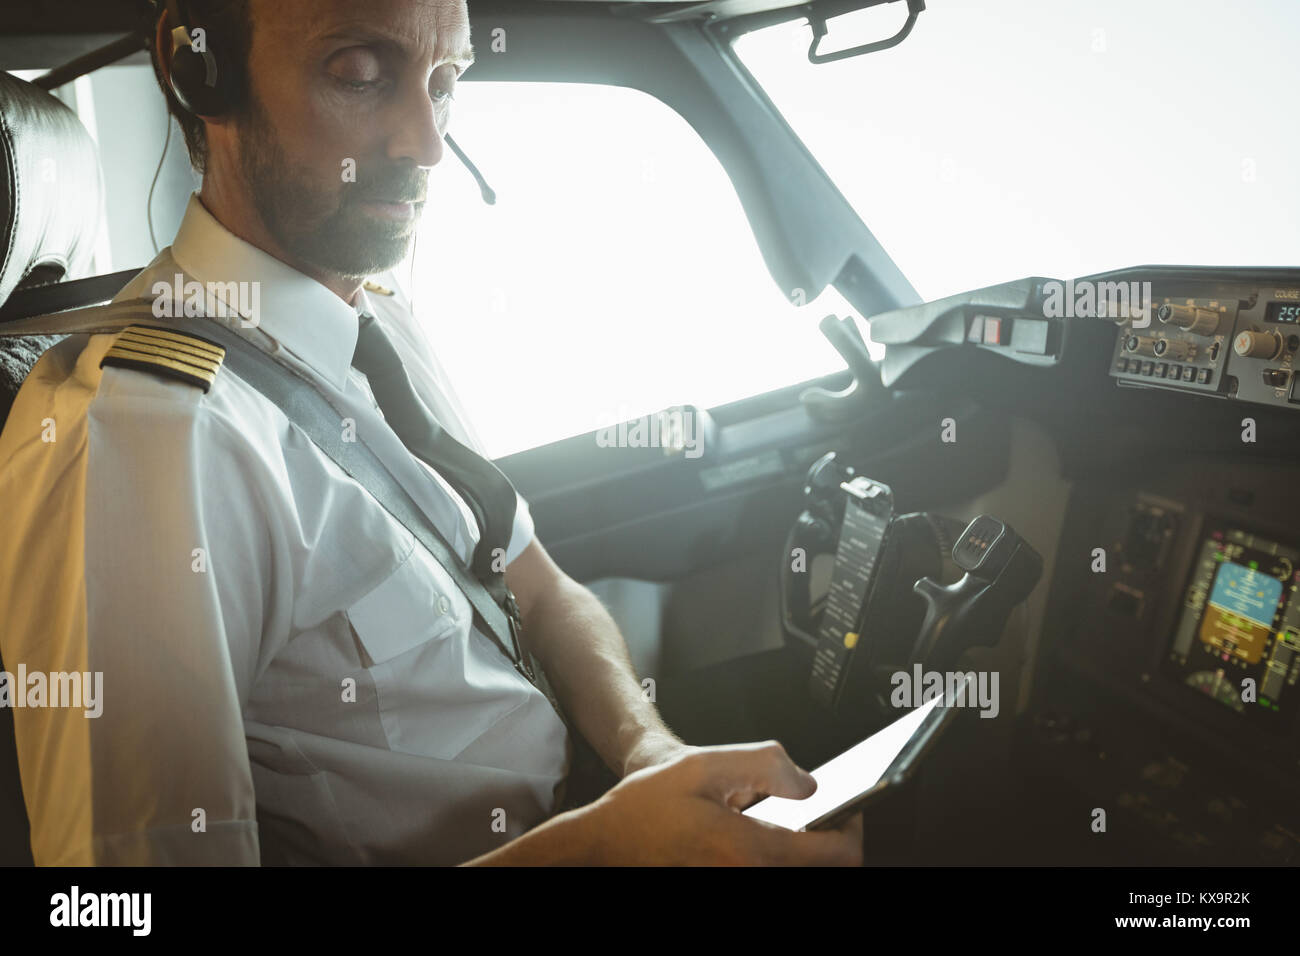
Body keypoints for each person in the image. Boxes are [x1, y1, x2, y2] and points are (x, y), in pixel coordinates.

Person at [0, 0, 861, 865]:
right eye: (359, 74)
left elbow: (539, 587)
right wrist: (606, 848)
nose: (427, 144)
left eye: (444, 84)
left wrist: (649, 754)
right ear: (200, 70)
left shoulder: (377, 316)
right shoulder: (137, 440)